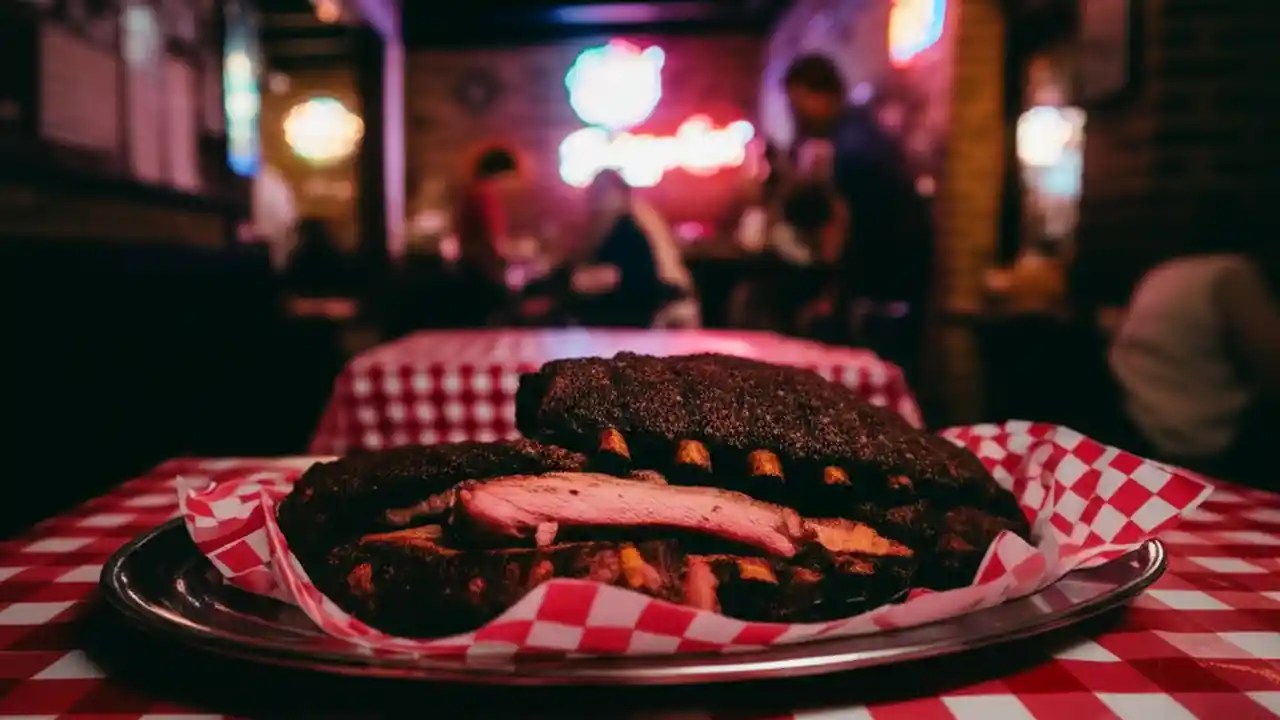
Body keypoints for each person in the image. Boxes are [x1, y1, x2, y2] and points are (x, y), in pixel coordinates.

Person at [782, 54, 933, 377]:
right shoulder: (858, 133)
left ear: (821, 94)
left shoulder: (854, 145)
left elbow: (850, 227)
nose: (797, 115)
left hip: (880, 291)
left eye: (798, 103)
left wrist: (832, 296)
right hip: (892, 288)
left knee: (870, 387)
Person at [1108, 204, 1279, 484]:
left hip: (1136, 424)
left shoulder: (1163, 272)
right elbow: (1273, 365)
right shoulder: (1230, 275)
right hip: (1196, 440)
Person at [523, 171, 688, 328]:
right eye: (595, 194)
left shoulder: (630, 230)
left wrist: (608, 280)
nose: (598, 201)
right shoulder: (594, 230)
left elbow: (640, 282)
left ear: (622, 197)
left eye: (603, 194)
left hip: (628, 324)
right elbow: (571, 273)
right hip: (604, 324)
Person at [452, 146, 520, 325]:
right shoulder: (485, 196)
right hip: (484, 270)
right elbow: (492, 238)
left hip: (470, 266)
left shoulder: (470, 193)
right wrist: (506, 258)